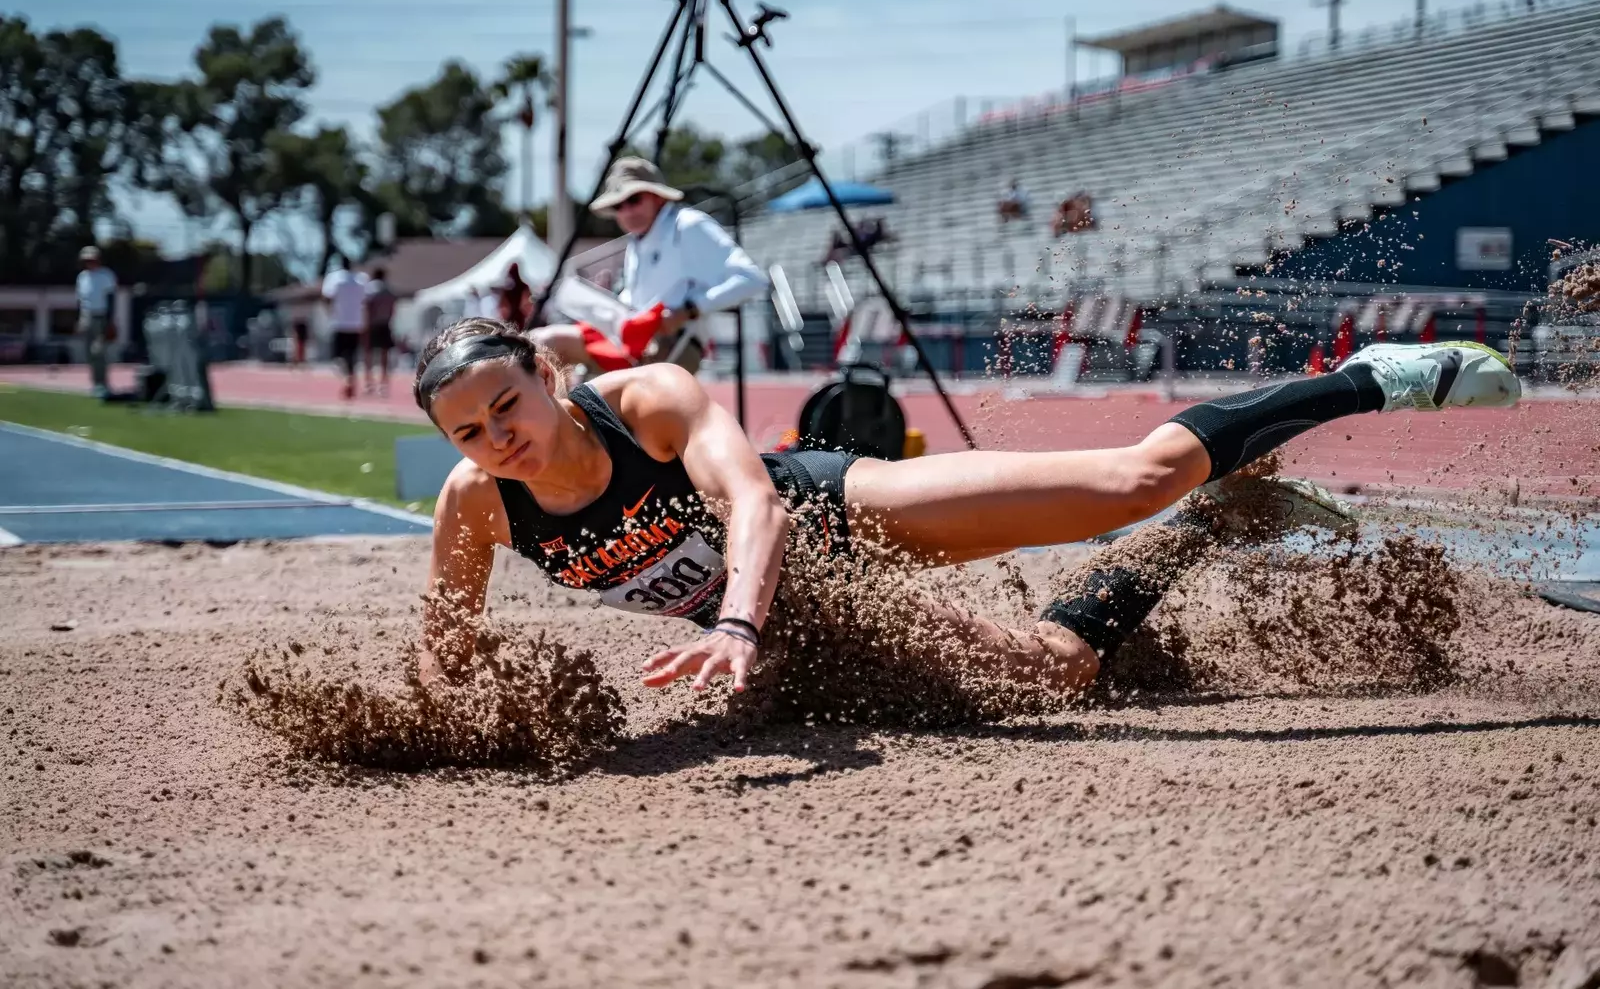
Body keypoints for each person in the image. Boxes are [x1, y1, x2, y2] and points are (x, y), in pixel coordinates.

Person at [411, 318, 1521, 695]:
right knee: (1058, 670)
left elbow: (755, 506)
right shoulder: (479, 507)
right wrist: (453, 713)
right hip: (807, 621)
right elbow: (444, 645)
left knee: (1128, 482)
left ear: (545, 381)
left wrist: (737, 620)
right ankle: (1217, 521)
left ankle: (1368, 379)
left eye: (506, 406)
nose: (496, 438)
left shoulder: (646, 402)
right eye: (468, 431)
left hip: (839, 518)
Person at [531, 157, 770, 377]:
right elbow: (636, 300)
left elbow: (752, 279)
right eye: (618, 206)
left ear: (658, 197)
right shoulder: (636, 241)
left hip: (674, 345)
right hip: (631, 340)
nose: (627, 211)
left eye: (634, 200)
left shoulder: (688, 225)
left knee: (590, 380)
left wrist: (688, 310)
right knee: (539, 343)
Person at [321, 254, 369, 400]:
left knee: (337, 356)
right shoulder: (361, 279)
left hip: (339, 322)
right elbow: (366, 299)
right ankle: (350, 379)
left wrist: (330, 311)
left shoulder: (334, 278)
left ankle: (347, 379)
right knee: (352, 355)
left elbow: (326, 297)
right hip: (356, 323)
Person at [75, 246, 118, 398]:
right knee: (89, 353)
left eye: (92, 260)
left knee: (98, 351)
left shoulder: (106, 275)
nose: (90, 263)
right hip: (86, 316)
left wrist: (110, 321)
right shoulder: (82, 277)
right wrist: (79, 319)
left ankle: (102, 384)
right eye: (87, 260)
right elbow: (81, 301)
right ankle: (95, 383)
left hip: (101, 316)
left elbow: (111, 299)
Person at [364, 266, 398, 395]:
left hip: (372, 324)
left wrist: (366, 323)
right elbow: (393, 308)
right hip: (385, 323)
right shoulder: (388, 289)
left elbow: (367, 307)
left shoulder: (370, 289)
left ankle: (369, 382)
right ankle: (384, 383)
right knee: (384, 354)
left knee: (368, 353)